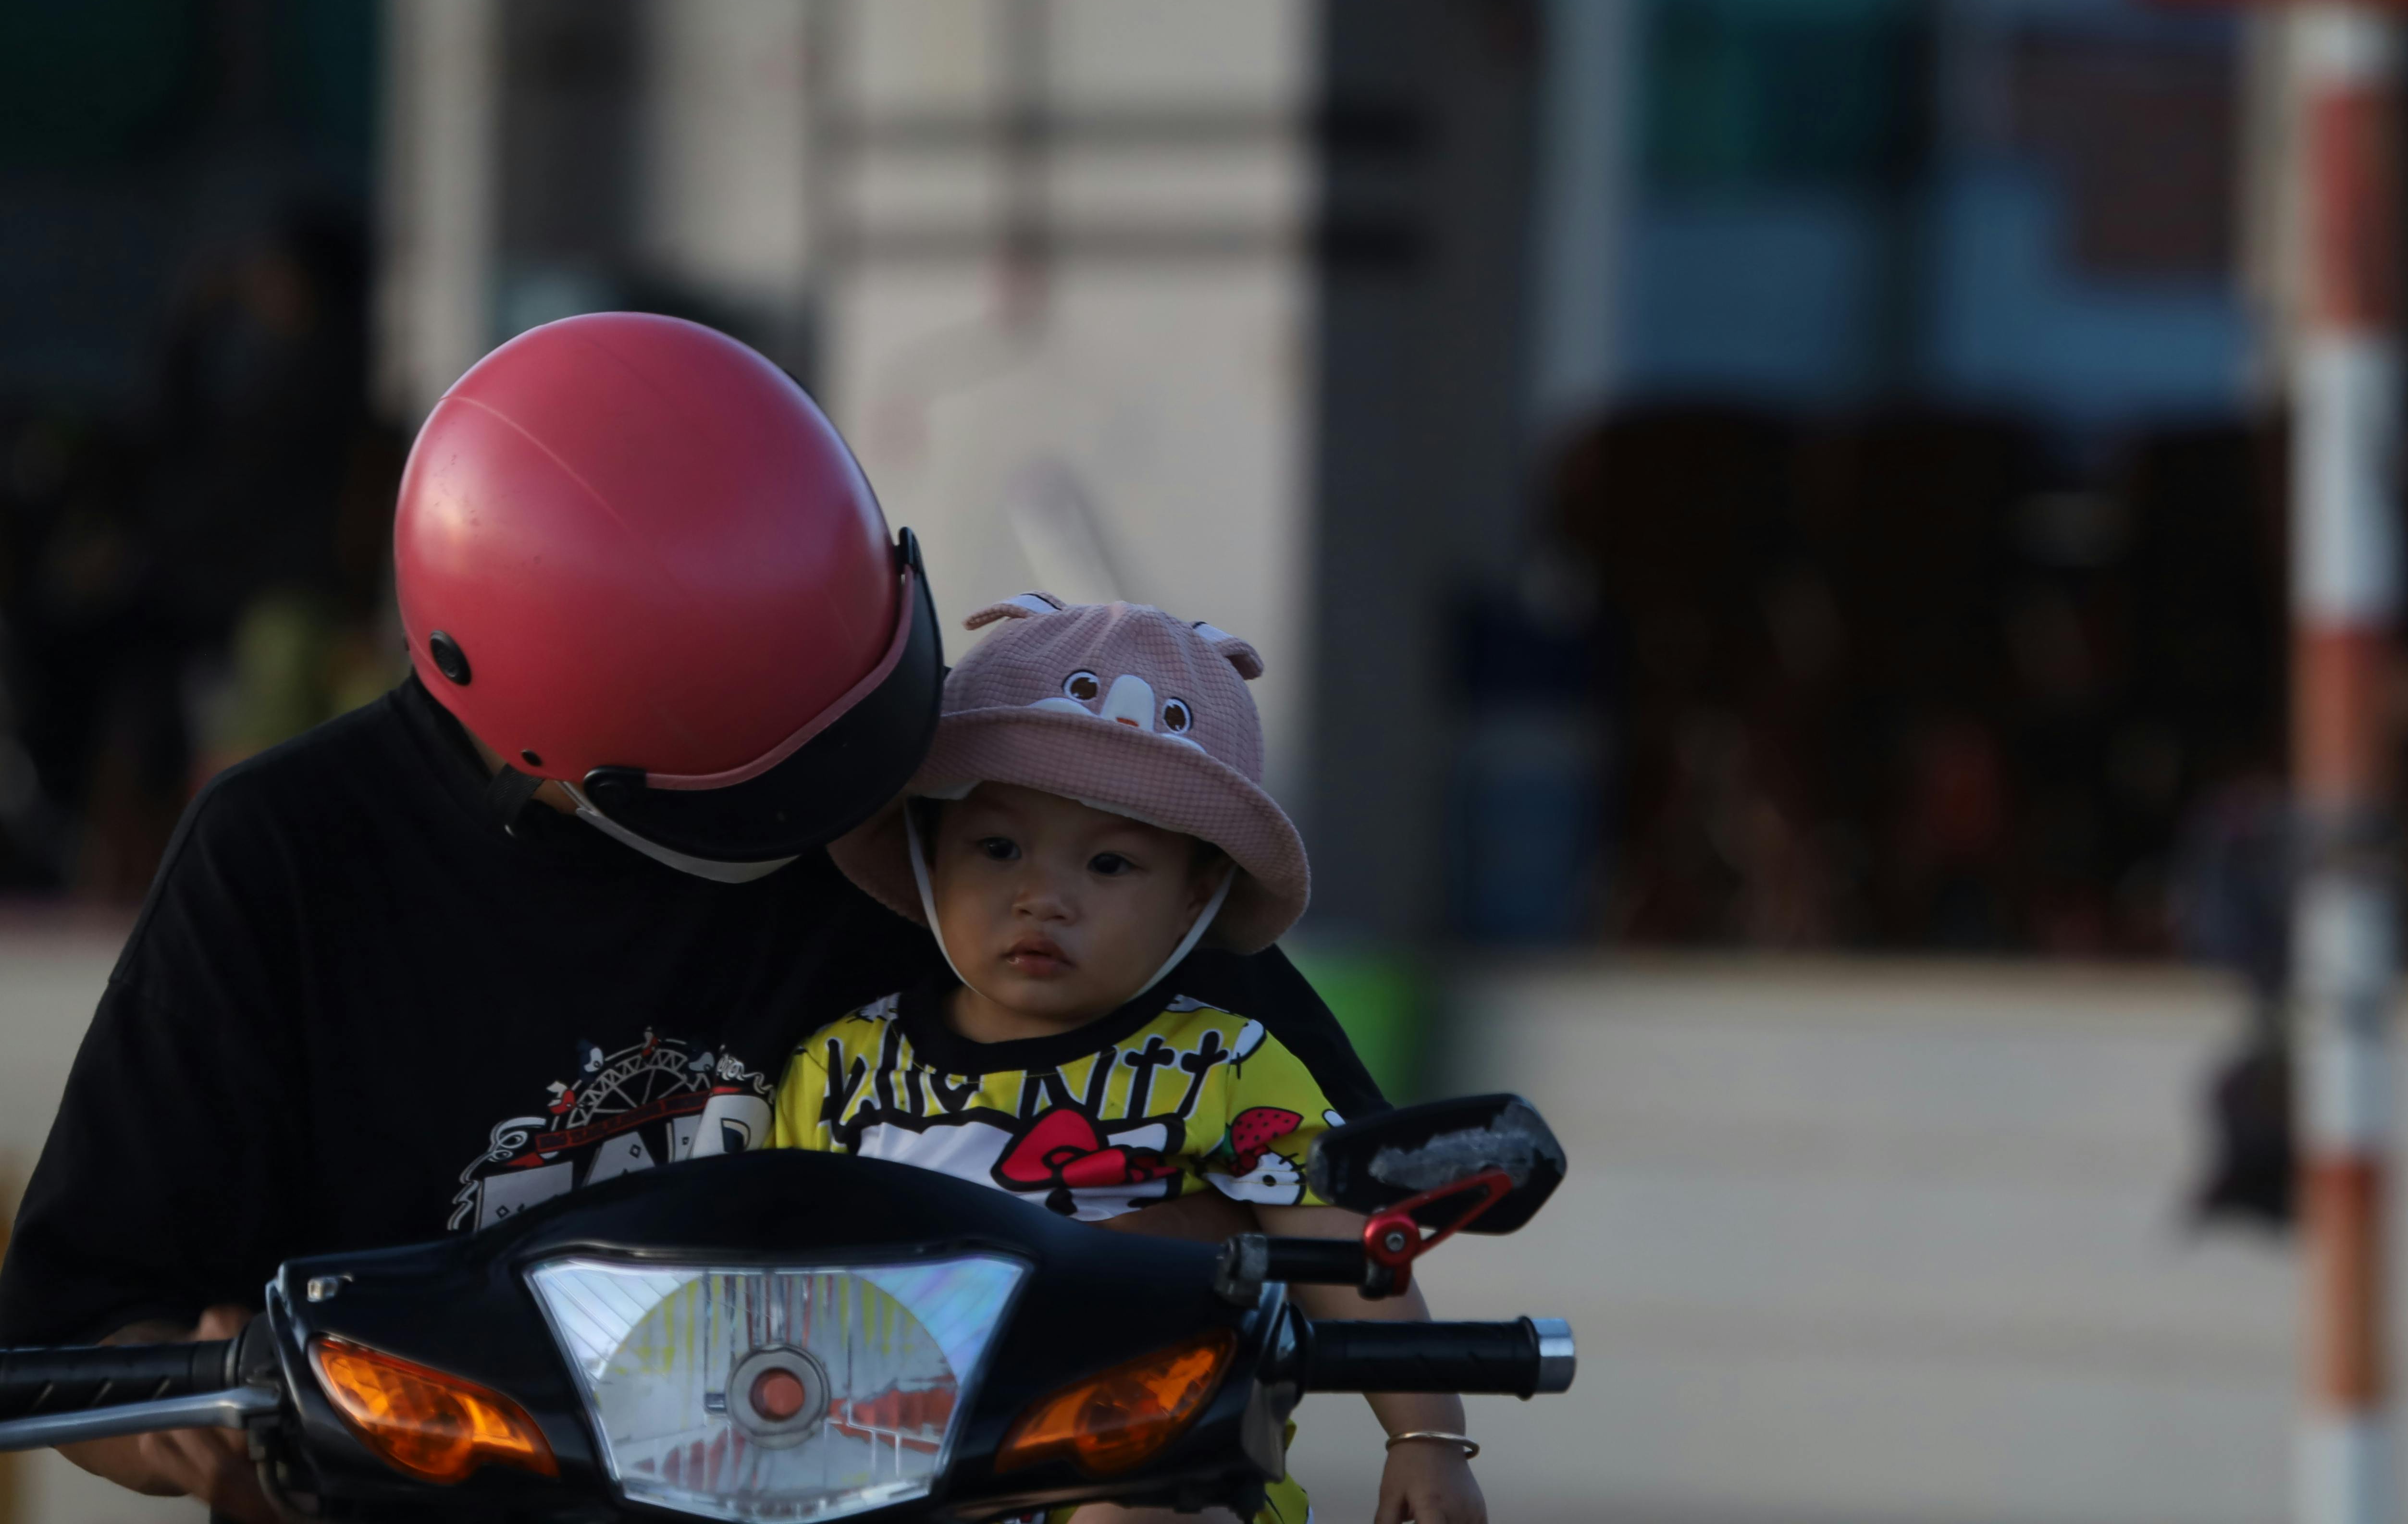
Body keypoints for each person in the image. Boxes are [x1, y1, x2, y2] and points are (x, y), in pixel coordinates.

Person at [0, 315, 1385, 1521]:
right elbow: (85, 1338)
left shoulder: (953, 821)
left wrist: (1130, 1246)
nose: (849, 815)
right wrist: (202, 1422)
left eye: (865, 744)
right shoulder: (288, 861)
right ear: (545, 750)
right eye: (779, 781)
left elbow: (1314, 1152)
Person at [776, 595, 1485, 1524]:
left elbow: (1343, 1249)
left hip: (1153, 1465)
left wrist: (1426, 1436)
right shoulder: (839, 1069)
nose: (1042, 898)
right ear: (929, 853)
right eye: (997, 848)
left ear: (1197, 896)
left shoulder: (1228, 1066)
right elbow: (756, 1259)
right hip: (888, 1471)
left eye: (1109, 865)